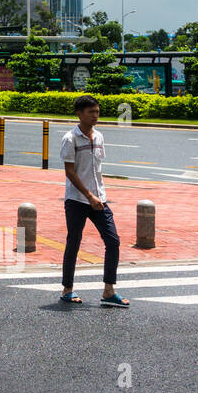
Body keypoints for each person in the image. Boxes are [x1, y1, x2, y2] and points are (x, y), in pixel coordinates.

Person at [60, 96, 129, 307]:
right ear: (79, 114)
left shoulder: (99, 136)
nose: (95, 116)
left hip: (99, 199)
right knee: (74, 242)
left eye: (97, 112)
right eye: (91, 112)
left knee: (113, 241)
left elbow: (97, 170)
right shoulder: (70, 138)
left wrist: (97, 195)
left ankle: (109, 290)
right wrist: (88, 196)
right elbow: (70, 172)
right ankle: (67, 289)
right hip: (77, 200)